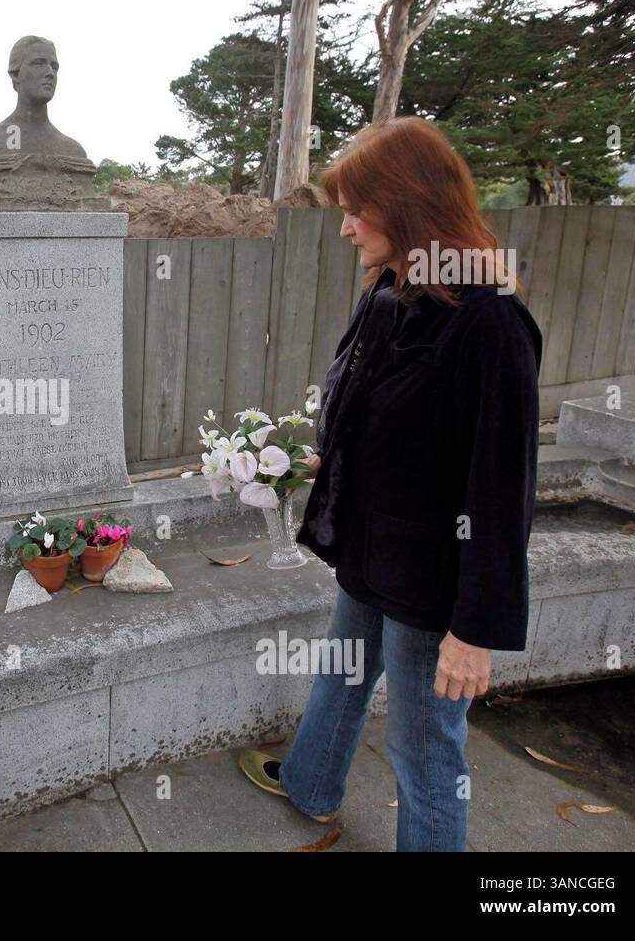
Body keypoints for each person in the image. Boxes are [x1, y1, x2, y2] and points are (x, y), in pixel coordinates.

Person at [239, 116, 542, 851]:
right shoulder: (391, 292)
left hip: (431, 583)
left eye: (354, 210)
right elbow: (371, 412)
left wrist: (473, 631)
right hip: (370, 549)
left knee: (424, 748)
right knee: (340, 675)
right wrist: (315, 460)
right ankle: (311, 783)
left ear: (406, 205)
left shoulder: (491, 326)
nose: (344, 229)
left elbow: (501, 491)